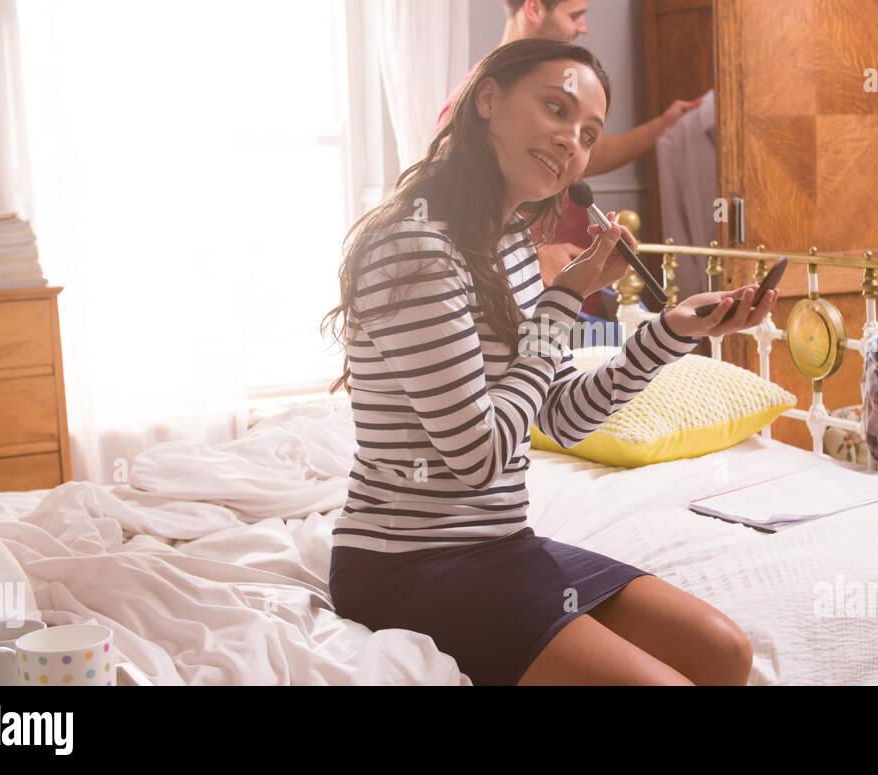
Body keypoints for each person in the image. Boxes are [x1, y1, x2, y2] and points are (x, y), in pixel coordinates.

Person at [323, 38, 775, 686]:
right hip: (407, 562)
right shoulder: (415, 249)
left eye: (589, 133)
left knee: (724, 649)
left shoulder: (508, 241)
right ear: (488, 99)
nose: (573, 142)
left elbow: (560, 413)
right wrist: (561, 301)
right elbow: (479, 456)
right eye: (555, 109)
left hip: (502, 544)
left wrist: (669, 331)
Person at [438, 0, 703, 308]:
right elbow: (457, 210)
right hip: (531, 303)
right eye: (575, 15)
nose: (584, 28)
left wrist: (663, 126)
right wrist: (533, 254)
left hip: (560, 299)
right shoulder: (469, 108)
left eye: (588, 137)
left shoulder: (562, 142)